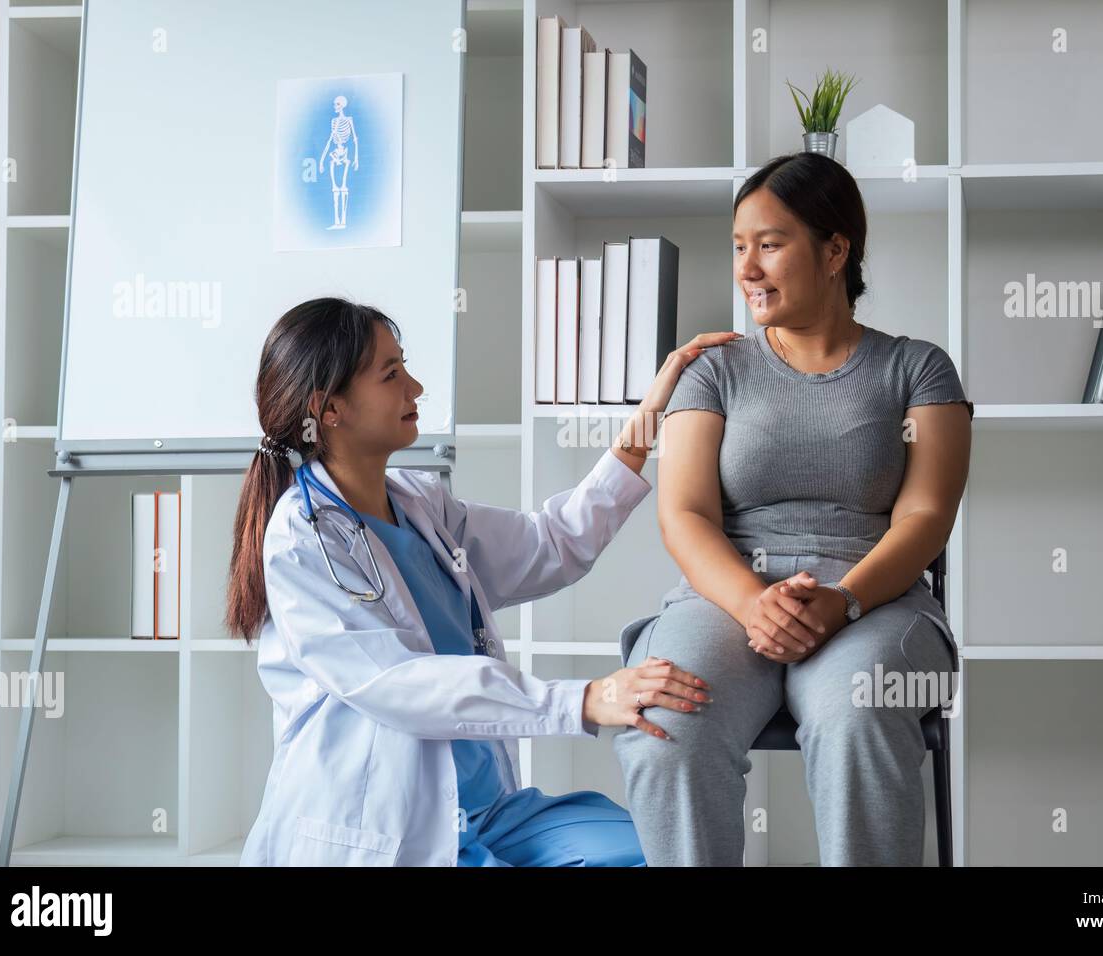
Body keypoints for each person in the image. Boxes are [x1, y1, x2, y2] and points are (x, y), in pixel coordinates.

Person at [230, 296, 737, 866]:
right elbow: (399, 685)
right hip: (387, 824)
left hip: (490, 810)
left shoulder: (420, 503)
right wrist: (584, 699)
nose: (415, 388)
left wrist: (652, 410)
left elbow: (553, 542)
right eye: (391, 374)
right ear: (328, 409)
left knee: (664, 852)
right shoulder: (303, 540)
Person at [613, 152, 975, 866]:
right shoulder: (714, 369)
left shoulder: (919, 369)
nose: (747, 268)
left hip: (876, 600)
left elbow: (925, 518)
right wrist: (755, 605)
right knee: (665, 723)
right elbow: (684, 513)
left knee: (859, 712)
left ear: (836, 249)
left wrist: (841, 602)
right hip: (725, 599)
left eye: (770, 245)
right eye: (739, 248)